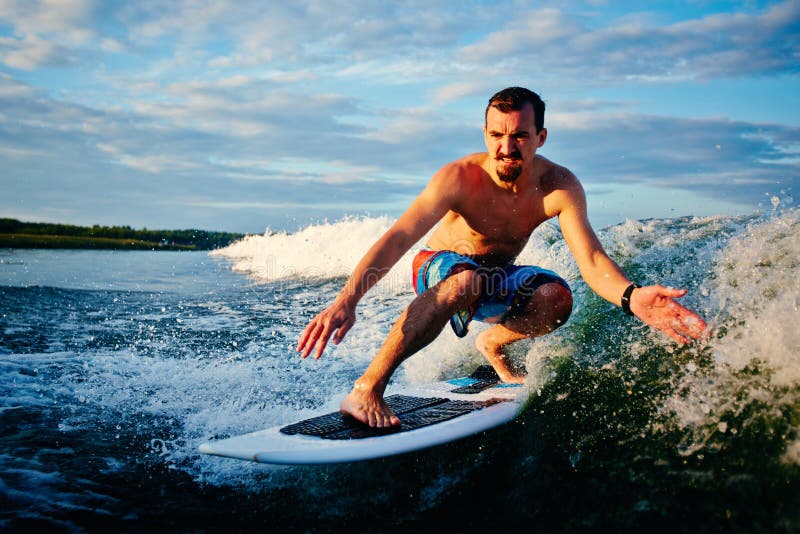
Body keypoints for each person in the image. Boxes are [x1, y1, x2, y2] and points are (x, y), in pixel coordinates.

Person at [297, 87, 707, 428]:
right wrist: (347, 300)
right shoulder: (459, 178)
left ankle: (492, 341)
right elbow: (399, 236)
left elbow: (594, 261)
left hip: (496, 275)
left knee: (557, 298)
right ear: (485, 133)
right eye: (496, 135)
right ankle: (366, 389)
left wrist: (632, 297)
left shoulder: (558, 186)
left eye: (520, 137)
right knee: (465, 281)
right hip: (439, 266)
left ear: (540, 137)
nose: (505, 147)